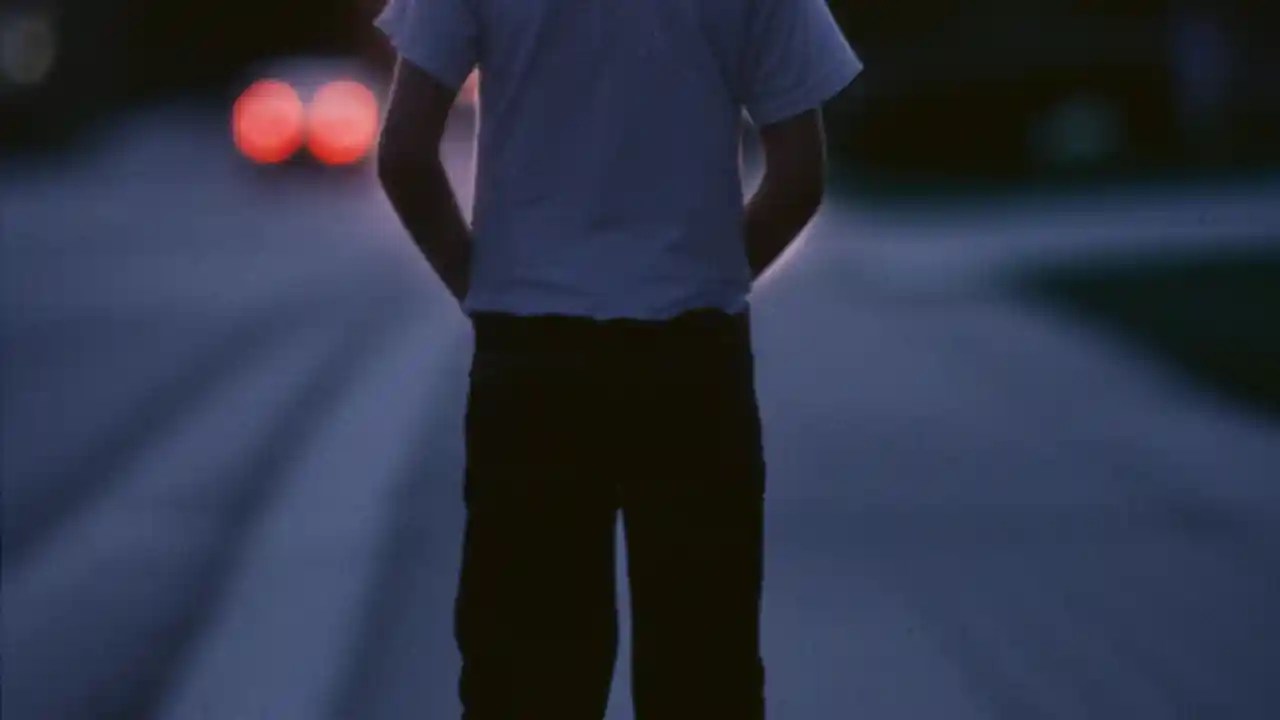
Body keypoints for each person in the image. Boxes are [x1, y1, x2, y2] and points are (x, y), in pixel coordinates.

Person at [373, 0, 862, 717]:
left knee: (526, 681)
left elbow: (406, 154)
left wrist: (482, 288)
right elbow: (799, 176)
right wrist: (705, 280)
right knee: (704, 674)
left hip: (533, 357)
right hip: (690, 358)